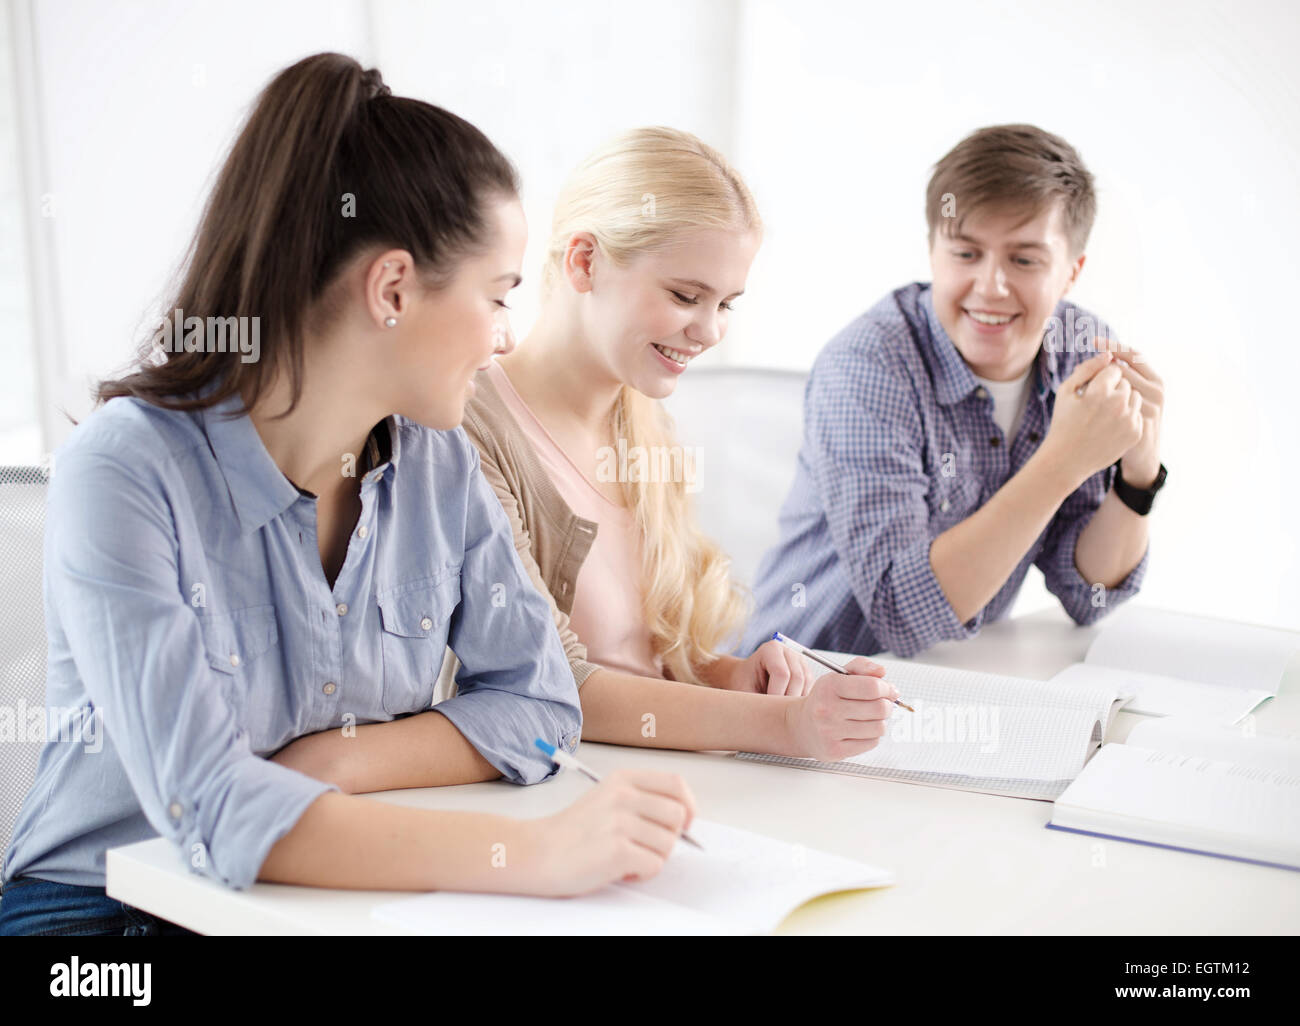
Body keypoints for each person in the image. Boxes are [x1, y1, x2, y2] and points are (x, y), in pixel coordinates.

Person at [0, 54, 697, 937]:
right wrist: (532, 856)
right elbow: (210, 805)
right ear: (394, 289)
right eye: (496, 296)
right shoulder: (126, 471)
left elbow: (540, 704)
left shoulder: (438, 464)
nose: (505, 336)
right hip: (99, 916)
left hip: (322, 899)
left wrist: (337, 760)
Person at [744, 124, 1166, 659]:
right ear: (932, 251)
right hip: (795, 688)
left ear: (1071, 272)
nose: (991, 286)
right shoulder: (867, 366)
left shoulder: (1079, 351)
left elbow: (1091, 596)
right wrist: (1061, 461)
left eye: (1025, 260)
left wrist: (1139, 471)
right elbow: (902, 610)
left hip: (949, 690)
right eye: (966, 254)